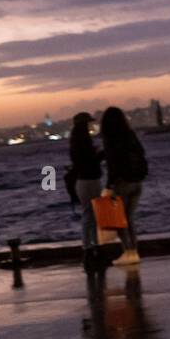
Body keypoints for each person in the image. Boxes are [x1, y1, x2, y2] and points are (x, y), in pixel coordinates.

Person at [99, 106, 148, 266]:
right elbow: (141, 152)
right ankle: (134, 252)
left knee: (119, 221)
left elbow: (113, 164)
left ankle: (129, 252)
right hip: (137, 182)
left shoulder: (110, 137)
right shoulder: (130, 134)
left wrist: (110, 185)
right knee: (129, 219)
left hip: (122, 183)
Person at [67, 112, 105, 274]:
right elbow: (91, 161)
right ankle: (95, 248)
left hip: (81, 181)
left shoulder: (74, 143)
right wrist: (101, 154)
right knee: (94, 215)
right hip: (91, 180)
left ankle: (88, 249)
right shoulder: (85, 142)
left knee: (87, 215)